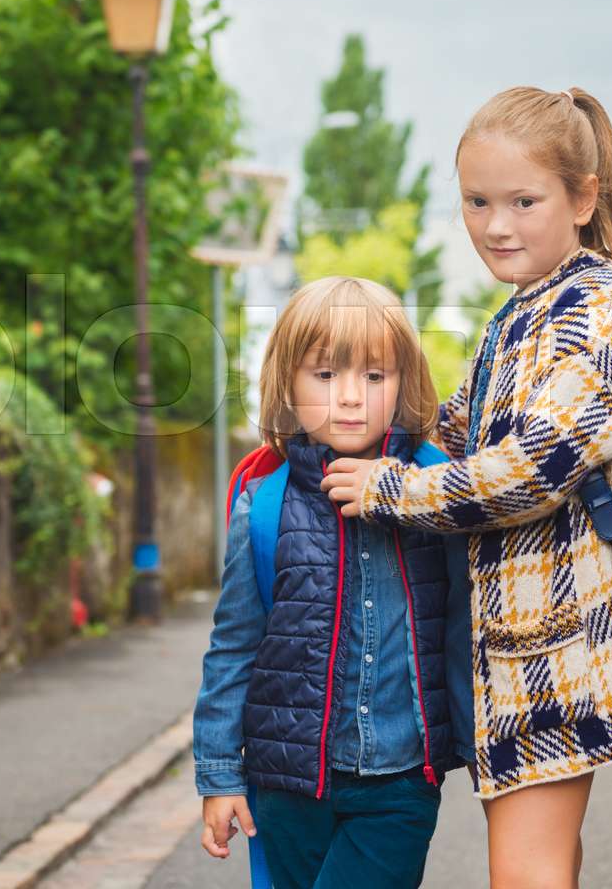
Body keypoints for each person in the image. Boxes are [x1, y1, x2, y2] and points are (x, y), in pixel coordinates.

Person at [321, 85, 612, 889]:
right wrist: (341, 424)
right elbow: (448, 433)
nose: (496, 225)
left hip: (554, 645)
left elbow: (532, 470)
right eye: (477, 202)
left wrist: (388, 489)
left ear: (583, 197)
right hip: (513, 646)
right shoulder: (523, 310)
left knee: (527, 873)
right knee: (545, 867)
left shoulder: (596, 308)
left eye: (524, 200)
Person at [192, 275, 463, 889]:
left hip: (401, 782)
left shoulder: (438, 494)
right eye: (324, 375)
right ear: (287, 384)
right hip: (288, 785)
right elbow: (234, 647)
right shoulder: (262, 506)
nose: (350, 398)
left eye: (374, 376)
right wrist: (219, 776)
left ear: (404, 385)